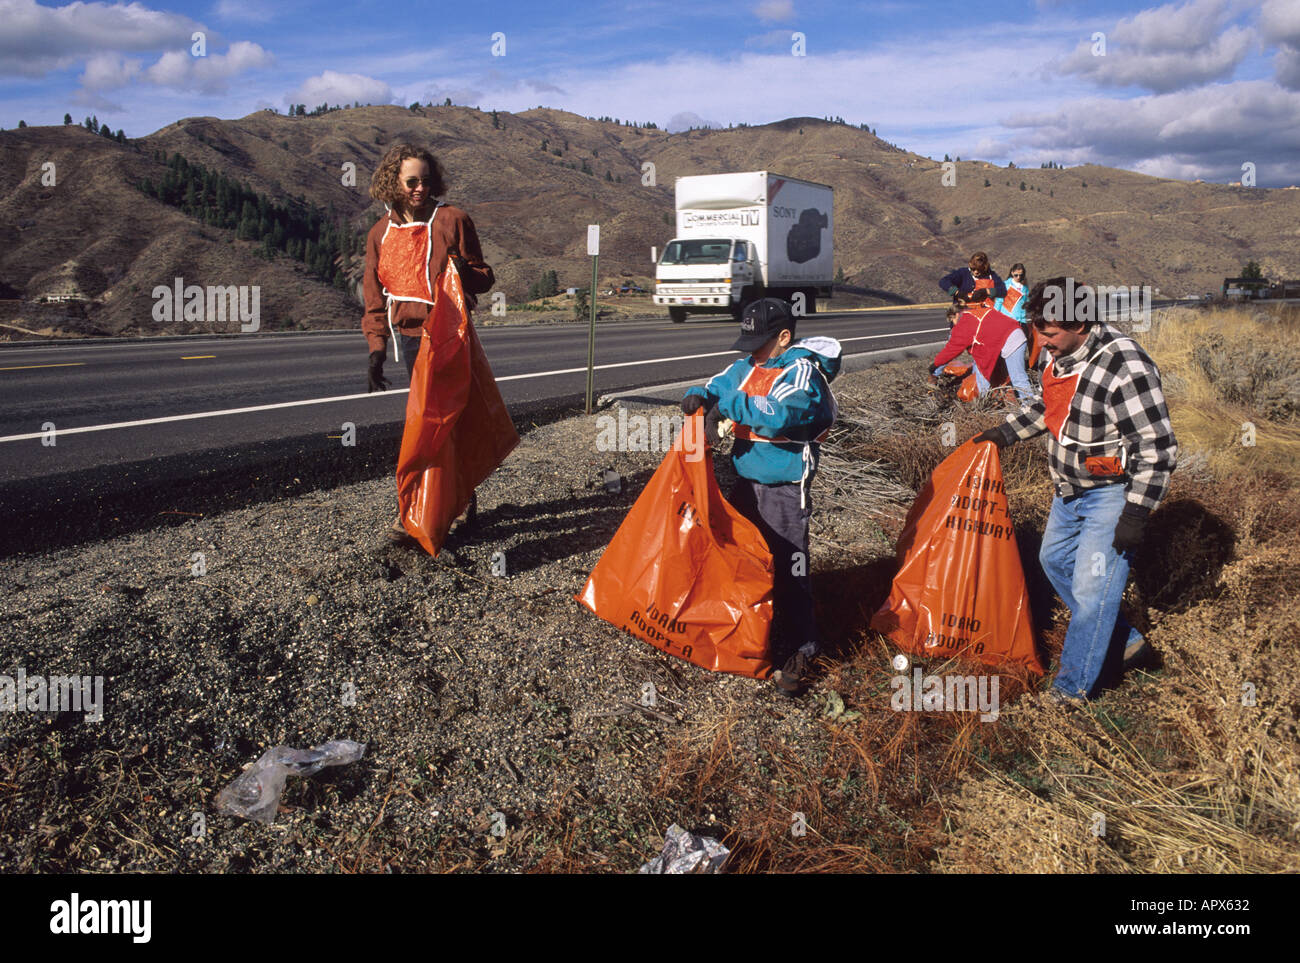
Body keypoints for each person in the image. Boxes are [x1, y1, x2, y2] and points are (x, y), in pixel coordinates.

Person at [971, 276, 1178, 703]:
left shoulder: (1125, 365)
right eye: (1038, 331)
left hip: (1110, 493)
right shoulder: (1061, 355)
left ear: (1079, 324)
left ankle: (1071, 691)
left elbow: (1154, 446)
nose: (1041, 342)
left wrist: (1135, 514)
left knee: (1089, 588)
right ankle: (1128, 640)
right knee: (1054, 560)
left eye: (1048, 332)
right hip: (1068, 490)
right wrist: (1002, 435)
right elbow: (1049, 407)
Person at [681, 299, 841, 696]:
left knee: (792, 566)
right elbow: (716, 385)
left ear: (784, 337)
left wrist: (726, 404)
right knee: (741, 558)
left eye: (760, 342)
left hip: (785, 489)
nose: (752, 351)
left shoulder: (802, 373)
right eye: (748, 341)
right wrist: (698, 395)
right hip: (745, 483)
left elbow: (781, 414)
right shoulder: (745, 368)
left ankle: (802, 646)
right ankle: (750, 630)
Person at [362, 144, 496, 539]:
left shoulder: (452, 219)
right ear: (394, 182)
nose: (420, 188)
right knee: (423, 424)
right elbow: (374, 295)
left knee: (445, 421)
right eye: (411, 181)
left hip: (450, 334)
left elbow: (485, 277)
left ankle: (448, 505)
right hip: (408, 338)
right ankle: (426, 506)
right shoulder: (379, 232)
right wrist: (376, 349)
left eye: (425, 180)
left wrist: (463, 272)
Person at [930, 290, 1035, 403]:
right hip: (1015, 335)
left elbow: (951, 350)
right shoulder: (978, 313)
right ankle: (985, 400)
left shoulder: (964, 322)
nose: (953, 324)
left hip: (1011, 341)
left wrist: (935, 365)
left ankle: (1030, 407)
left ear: (955, 314)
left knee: (1018, 378)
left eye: (952, 320)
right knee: (988, 370)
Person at [939, 251, 1006, 304]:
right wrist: (957, 293)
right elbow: (943, 281)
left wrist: (986, 291)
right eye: (973, 269)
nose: (976, 272)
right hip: (962, 313)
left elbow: (1002, 290)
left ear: (985, 268)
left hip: (983, 314)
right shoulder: (963, 273)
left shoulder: (991, 275)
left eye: (979, 270)